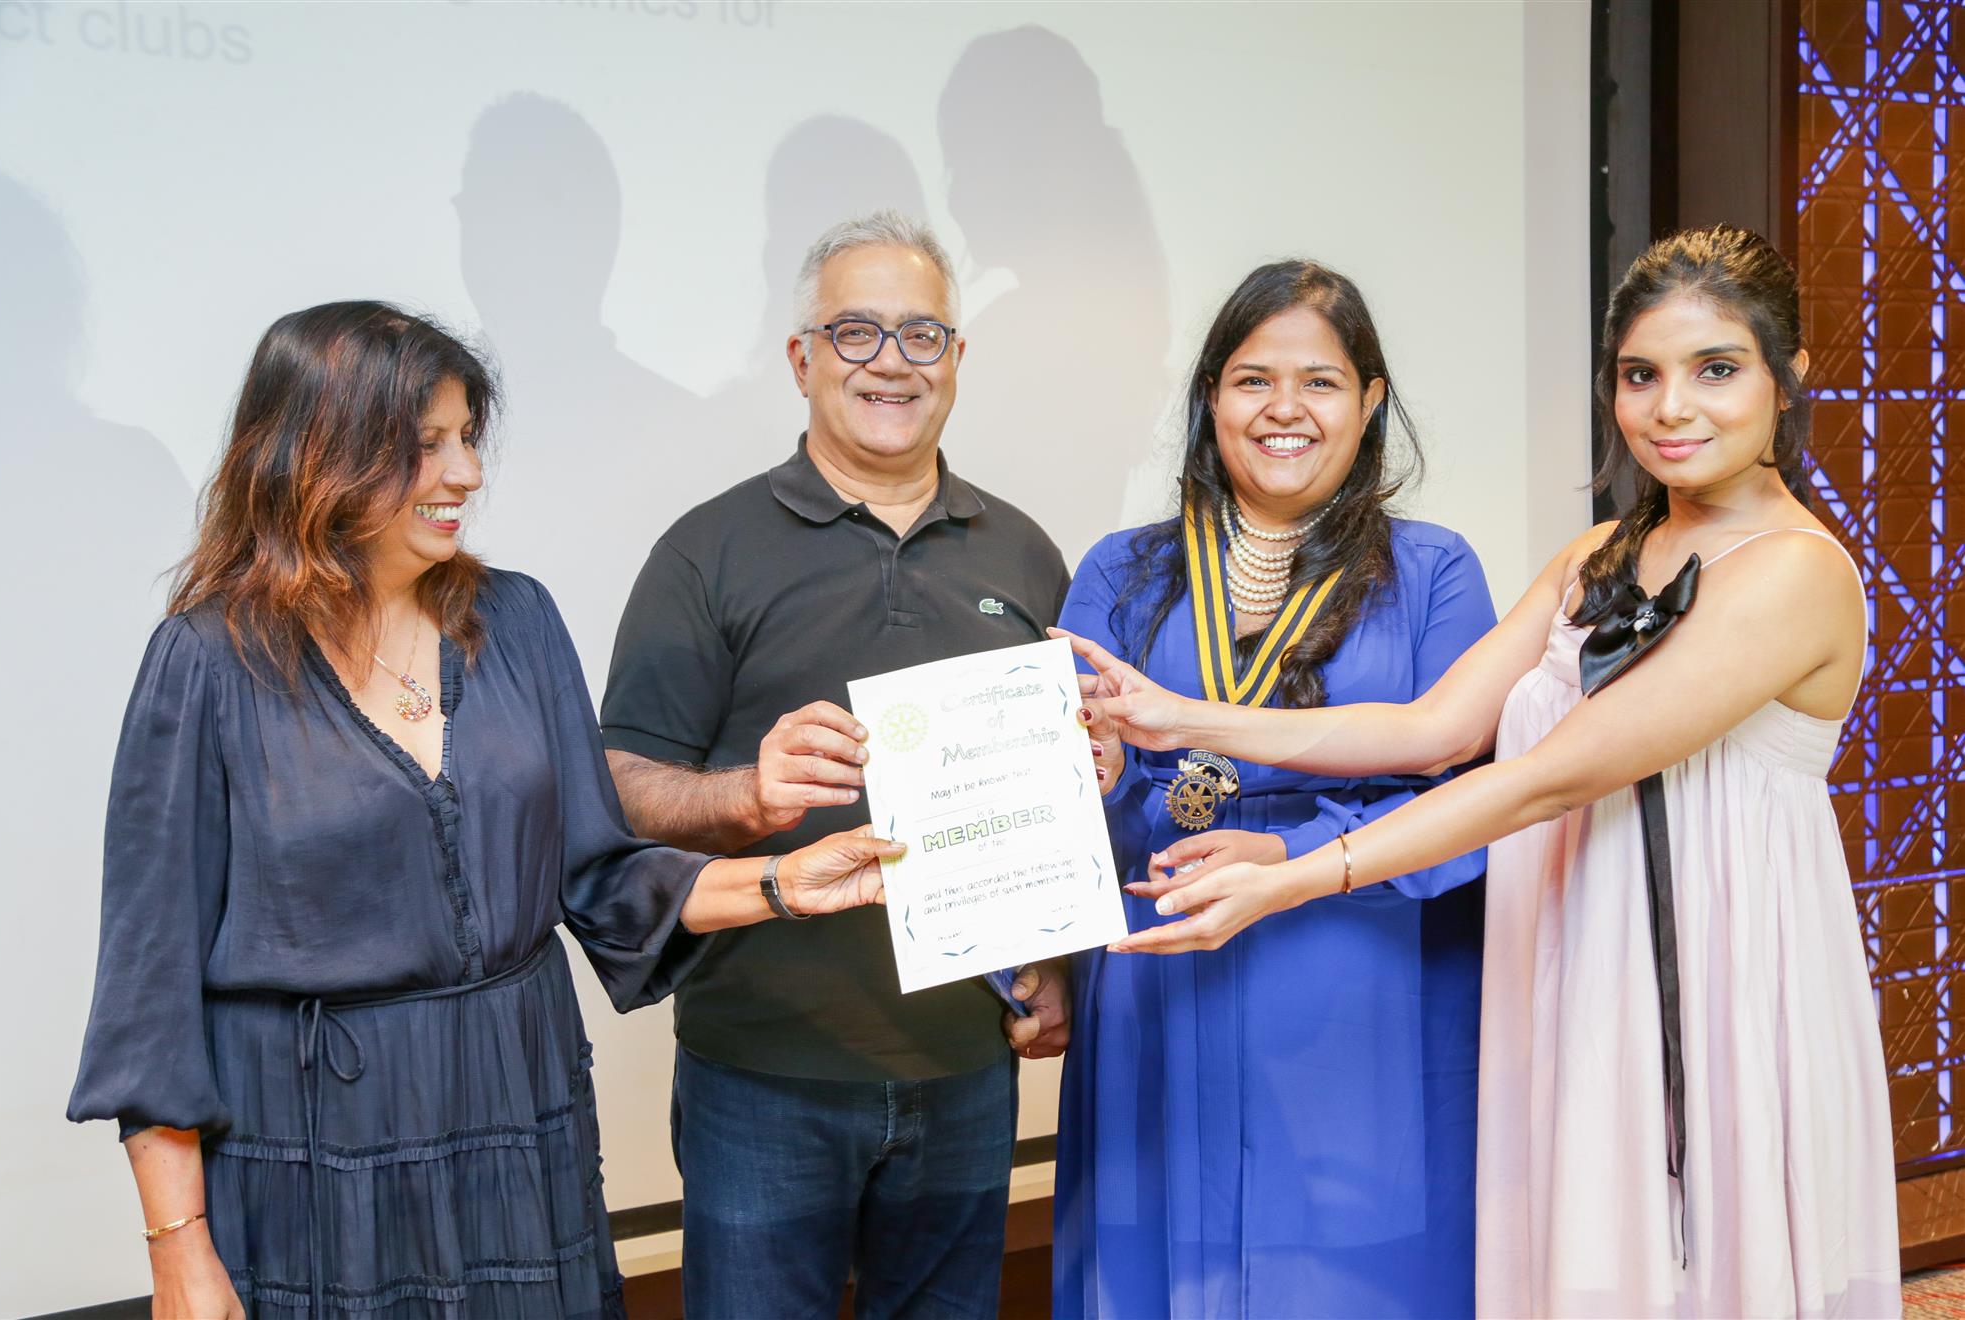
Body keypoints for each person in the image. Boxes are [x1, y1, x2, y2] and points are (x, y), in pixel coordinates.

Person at [1063, 226, 1900, 1317]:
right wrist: (1180, 715)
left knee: (1706, 1252)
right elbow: (1430, 728)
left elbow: (1544, 780)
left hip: (1716, 955)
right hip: (1579, 942)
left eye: (1717, 370)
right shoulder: (1598, 552)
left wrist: (1292, 874)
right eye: (1641, 375)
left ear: (1790, 380)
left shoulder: (1793, 572)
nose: (1672, 408)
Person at [66, 302, 902, 1320]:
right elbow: (148, 988)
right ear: (318, 454)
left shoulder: (516, 622)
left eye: (467, 438)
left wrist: (780, 885)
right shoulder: (206, 664)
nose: (465, 472)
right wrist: (178, 1251)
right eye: (425, 445)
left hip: (514, 1115)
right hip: (313, 1154)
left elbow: (599, 878)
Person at [599, 211, 1071, 1319]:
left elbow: (1050, 795)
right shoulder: (705, 553)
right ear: (803, 359)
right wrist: (746, 797)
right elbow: (620, 784)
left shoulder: (1026, 553)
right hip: (764, 1072)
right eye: (856, 333)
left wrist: (1057, 963)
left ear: (957, 360)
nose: (889, 364)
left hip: (966, 1064)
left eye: (920, 336)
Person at [1051, 260, 1495, 1319]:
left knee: (1356, 1279)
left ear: (1371, 400)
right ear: (1212, 397)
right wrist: (1093, 779)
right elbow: (1064, 796)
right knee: (1156, 1270)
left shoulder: (1435, 573)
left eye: (1322, 382)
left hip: (1360, 983)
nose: (1284, 409)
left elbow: (1482, 805)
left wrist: (1292, 857)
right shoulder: (1121, 571)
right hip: (1161, 974)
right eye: (1253, 379)